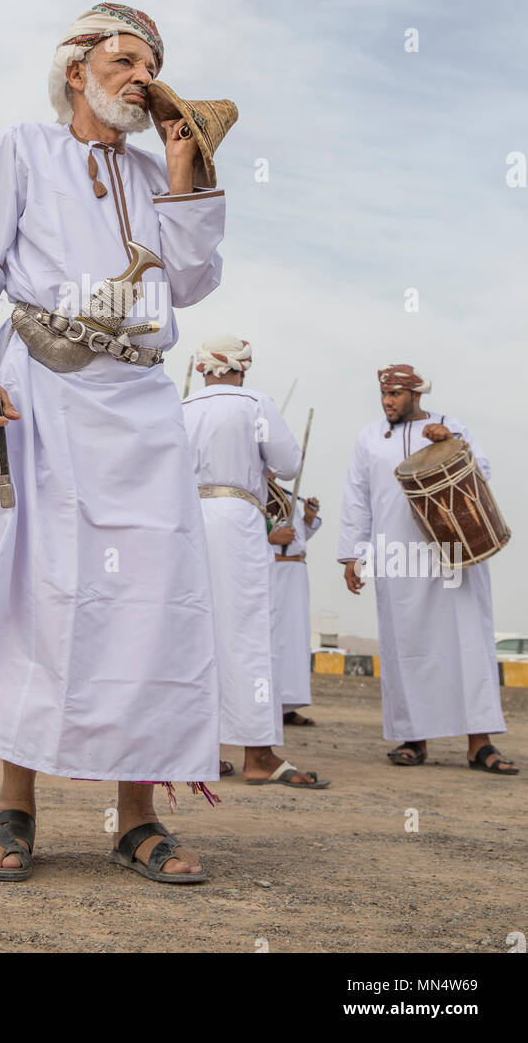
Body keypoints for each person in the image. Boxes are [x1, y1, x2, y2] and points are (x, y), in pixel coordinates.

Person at [0, 1, 234, 884]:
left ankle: (136, 818)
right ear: (76, 70)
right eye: (125, 60)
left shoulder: (156, 169)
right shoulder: (22, 148)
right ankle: (15, 802)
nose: (142, 76)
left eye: (151, 65)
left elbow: (190, 282)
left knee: (154, 599)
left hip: (143, 401)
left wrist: (185, 172)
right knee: (39, 590)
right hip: (42, 393)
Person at [339, 363, 518, 774]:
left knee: (468, 644)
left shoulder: (451, 425)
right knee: (406, 646)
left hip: (453, 551)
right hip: (395, 556)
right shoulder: (369, 437)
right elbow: (356, 498)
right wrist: (353, 555)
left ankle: (480, 745)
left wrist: (450, 441)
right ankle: (413, 740)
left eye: (396, 395)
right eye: (384, 394)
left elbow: (482, 471)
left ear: (416, 395)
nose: (388, 401)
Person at [183, 335, 330, 788]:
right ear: (243, 368)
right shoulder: (255, 403)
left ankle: (200, 752)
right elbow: (288, 465)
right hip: (237, 519)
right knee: (247, 632)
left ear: (202, 369)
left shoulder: (179, 407)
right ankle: (258, 756)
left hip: (186, 521)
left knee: (195, 634)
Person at [268, 487, 322, 728]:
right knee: (273, 638)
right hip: (273, 572)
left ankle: (287, 706)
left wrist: (307, 519)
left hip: (296, 574)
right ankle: (269, 705)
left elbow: (296, 538)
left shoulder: (285, 495)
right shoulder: (256, 490)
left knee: (294, 640)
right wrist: (269, 538)